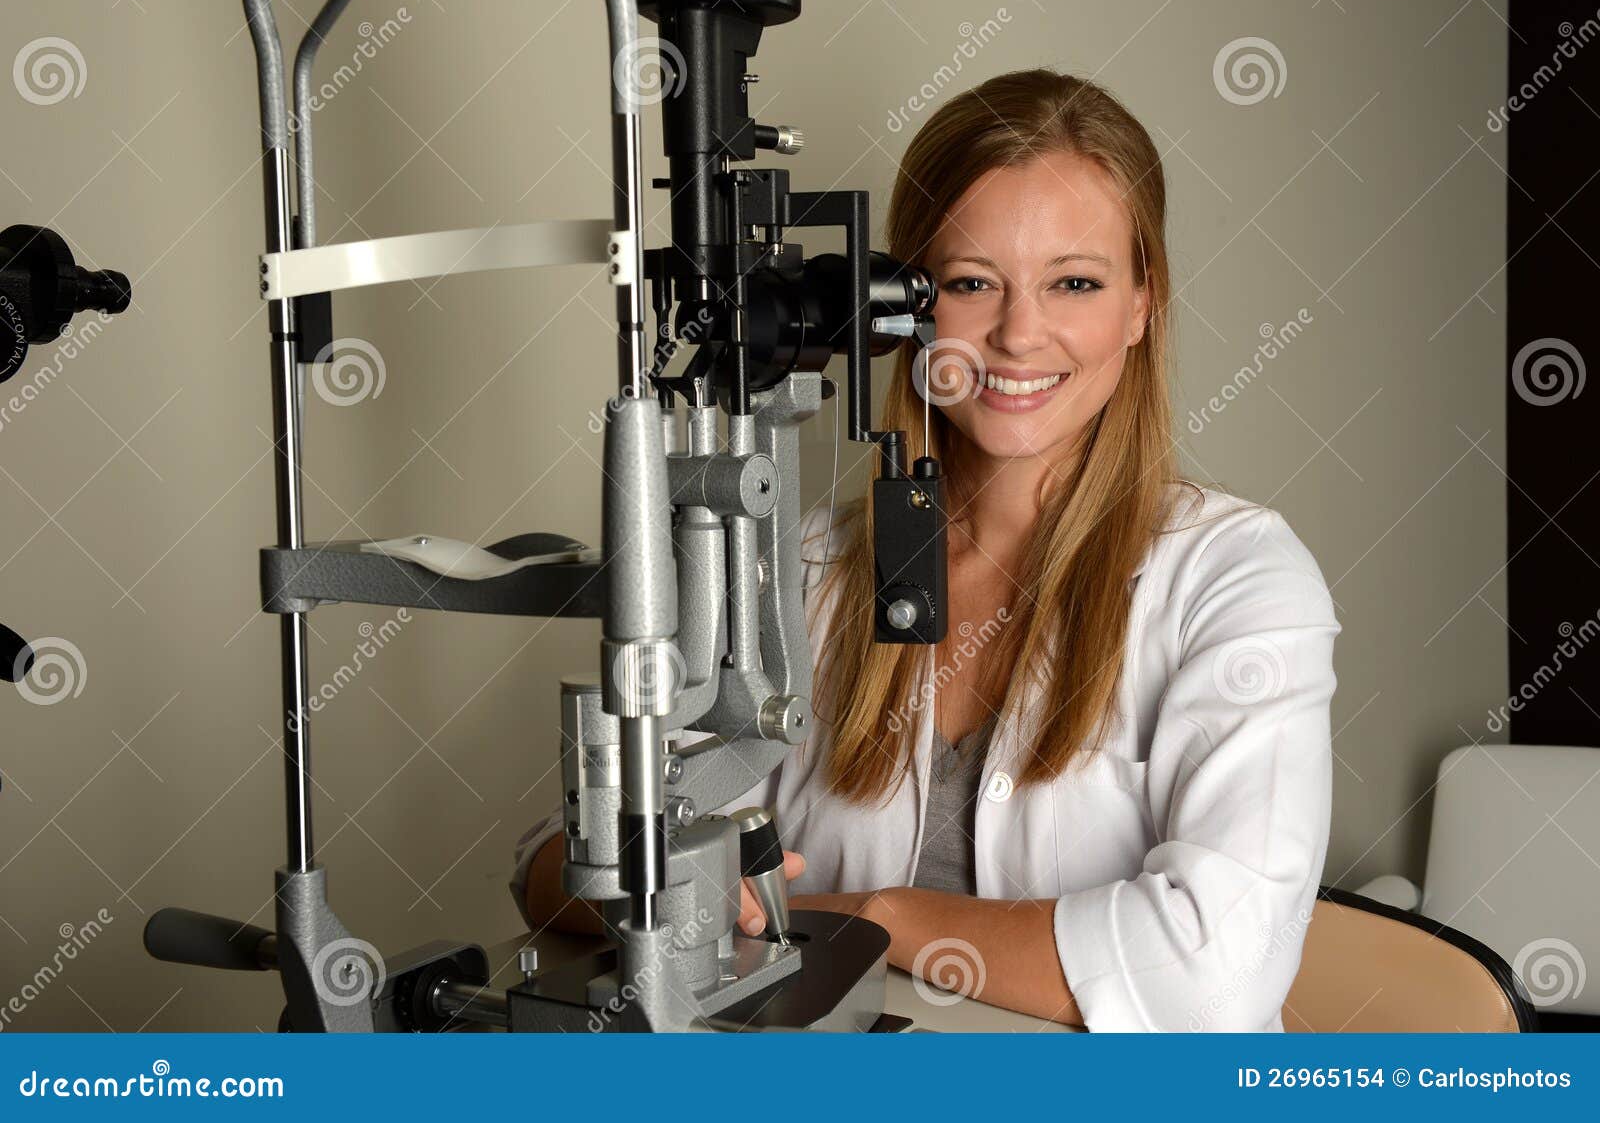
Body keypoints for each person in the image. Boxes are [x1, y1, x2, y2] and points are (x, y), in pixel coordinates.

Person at [512, 67, 1340, 1032]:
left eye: (1074, 282)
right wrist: (675, 889)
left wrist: (872, 916)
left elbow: (1215, 976)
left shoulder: (1236, 580)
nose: (1019, 335)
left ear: (1142, 305)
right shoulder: (802, 565)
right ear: (904, 304)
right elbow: (558, 866)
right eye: (970, 282)